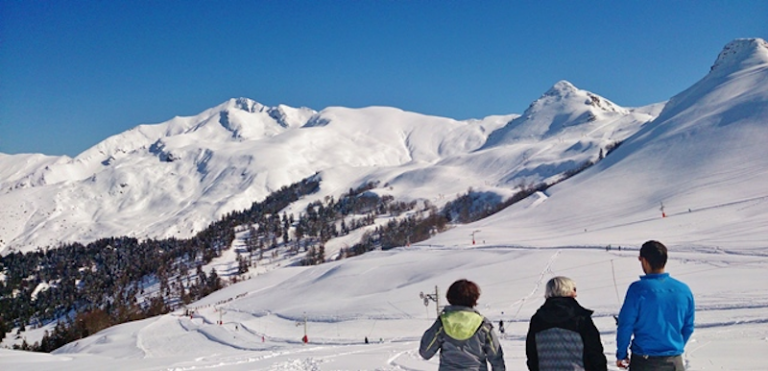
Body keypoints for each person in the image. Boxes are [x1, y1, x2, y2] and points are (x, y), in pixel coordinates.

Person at [616, 240, 695, 371]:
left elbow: (626, 324)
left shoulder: (638, 289)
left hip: (645, 361)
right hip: (674, 361)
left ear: (645, 261)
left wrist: (621, 354)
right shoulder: (683, 289)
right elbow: (688, 327)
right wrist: (674, 346)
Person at [419, 279, 505, 370]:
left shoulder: (443, 322)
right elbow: (496, 357)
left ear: (450, 297)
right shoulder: (483, 324)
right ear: (475, 298)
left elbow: (425, 352)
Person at [526, 276, 607, 371]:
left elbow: (532, 353)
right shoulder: (580, 317)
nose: (576, 294)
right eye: (574, 289)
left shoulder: (538, 319)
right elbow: (594, 351)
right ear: (567, 290)